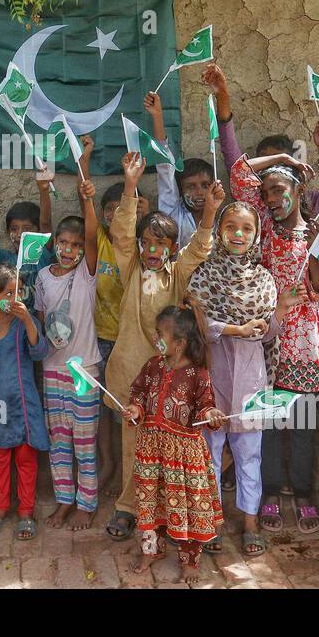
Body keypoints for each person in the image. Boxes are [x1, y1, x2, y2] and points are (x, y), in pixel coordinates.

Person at [103, 152, 220, 543]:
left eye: (161, 244)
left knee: (168, 446)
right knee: (132, 445)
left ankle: (168, 512)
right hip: (130, 374)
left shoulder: (178, 273)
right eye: (147, 243)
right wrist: (131, 185)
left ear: (172, 247)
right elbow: (121, 232)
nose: (152, 250)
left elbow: (200, 248)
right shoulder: (130, 266)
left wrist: (211, 213)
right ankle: (127, 508)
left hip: (172, 383)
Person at [228, 150, 319, 536]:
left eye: (279, 191)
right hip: (269, 336)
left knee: (303, 423)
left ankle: (303, 494)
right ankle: (270, 491)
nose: (272, 200)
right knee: (268, 422)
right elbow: (239, 173)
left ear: (298, 189)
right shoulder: (265, 229)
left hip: (304, 340)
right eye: (267, 194)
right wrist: (284, 157)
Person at [187, 200, 293, 557]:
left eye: (247, 229)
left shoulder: (264, 280)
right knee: (211, 453)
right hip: (212, 373)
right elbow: (199, 328)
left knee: (249, 454)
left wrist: (274, 315)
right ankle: (213, 522)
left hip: (250, 377)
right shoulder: (204, 274)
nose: (238, 235)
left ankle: (249, 521)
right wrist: (236, 327)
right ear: (219, 231)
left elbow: (267, 335)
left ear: (256, 234)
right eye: (231, 227)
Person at [124, 304, 224, 584]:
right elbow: (139, 393)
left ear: (179, 343)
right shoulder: (153, 365)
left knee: (188, 508)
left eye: (160, 334)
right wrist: (135, 409)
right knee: (150, 503)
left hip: (184, 457)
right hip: (151, 451)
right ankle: (151, 550)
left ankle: (190, 560)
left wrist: (211, 415)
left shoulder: (198, 375)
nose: (155, 338)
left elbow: (206, 407)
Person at [34, 176, 101, 530]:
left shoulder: (89, 273)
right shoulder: (44, 276)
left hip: (84, 369)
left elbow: (92, 237)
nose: (69, 249)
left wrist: (87, 199)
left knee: (84, 442)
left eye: (76, 244)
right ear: (54, 243)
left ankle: (86, 504)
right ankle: (63, 500)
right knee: (58, 441)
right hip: (52, 369)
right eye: (63, 242)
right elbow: (44, 322)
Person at [203, 63, 319, 216]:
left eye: (282, 165)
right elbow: (234, 157)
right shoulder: (253, 201)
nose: (272, 171)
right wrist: (222, 95)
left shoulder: (305, 204)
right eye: (267, 163)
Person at [0, 263, 50, 542]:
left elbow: (40, 351)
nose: (14, 298)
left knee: (25, 457)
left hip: (24, 402)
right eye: (7, 293)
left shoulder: (23, 324)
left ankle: (27, 511)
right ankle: (0, 507)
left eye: (18, 291)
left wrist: (29, 320)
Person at [91, 176, 148, 504]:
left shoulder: (143, 246)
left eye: (122, 209)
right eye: (109, 209)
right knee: (106, 409)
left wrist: (143, 211)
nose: (115, 215)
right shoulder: (98, 238)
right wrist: (84, 166)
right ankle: (109, 464)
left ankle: (133, 473)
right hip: (102, 339)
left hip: (133, 343)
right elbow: (88, 214)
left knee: (129, 412)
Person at [144, 90, 216, 247]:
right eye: (191, 186)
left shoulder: (223, 222)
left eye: (205, 185)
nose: (199, 192)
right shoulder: (173, 216)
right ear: (180, 192)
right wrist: (157, 116)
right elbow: (164, 165)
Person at [0, 176, 53, 311]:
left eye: (27, 229)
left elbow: (45, 223)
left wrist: (44, 190)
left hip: (36, 324)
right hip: (11, 323)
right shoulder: (5, 259)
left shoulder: (42, 255)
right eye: (14, 229)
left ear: (39, 233)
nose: (19, 234)